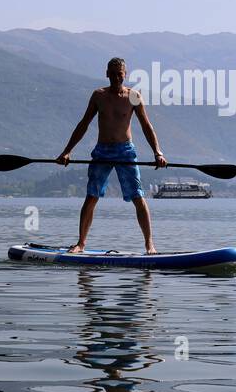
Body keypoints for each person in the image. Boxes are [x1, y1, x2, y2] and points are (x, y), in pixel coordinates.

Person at [57, 57, 167, 253]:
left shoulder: (134, 96)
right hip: (103, 151)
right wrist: (67, 151)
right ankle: (81, 243)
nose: (117, 78)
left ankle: (150, 244)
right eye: (113, 74)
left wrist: (157, 152)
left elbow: (146, 126)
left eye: (120, 74)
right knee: (91, 196)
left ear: (125, 75)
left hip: (125, 151)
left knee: (138, 197)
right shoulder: (98, 96)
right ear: (107, 74)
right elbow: (84, 124)